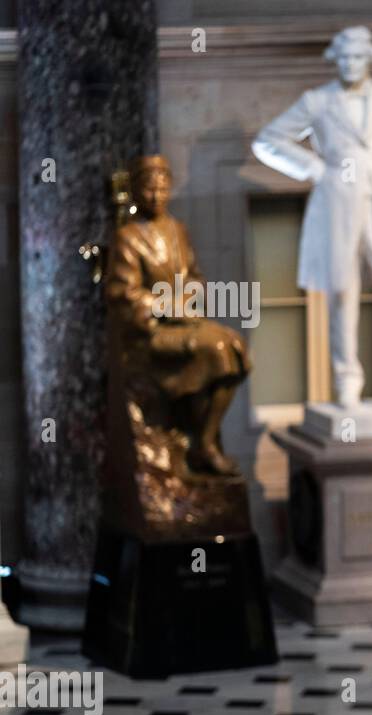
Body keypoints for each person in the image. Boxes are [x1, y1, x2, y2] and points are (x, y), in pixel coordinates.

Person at [252, 25, 372, 409]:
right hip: (337, 204)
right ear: (335, 60)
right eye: (345, 57)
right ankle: (347, 383)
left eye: (358, 57)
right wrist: (315, 169)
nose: (351, 64)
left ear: (369, 59)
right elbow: (267, 140)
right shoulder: (317, 101)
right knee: (342, 295)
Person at [104, 155, 250, 477]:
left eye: (162, 188)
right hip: (150, 334)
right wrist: (167, 306)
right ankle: (205, 446)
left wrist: (189, 297)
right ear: (138, 191)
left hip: (185, 322)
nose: (156, 196)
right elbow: (123, 295)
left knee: (235, 346)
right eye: (149, 189)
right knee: (217, 350)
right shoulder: (128, 238)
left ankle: (204, 438)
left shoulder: (177, 231)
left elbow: (195, 278)